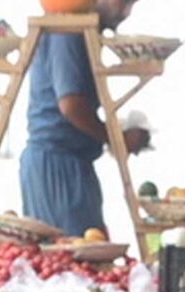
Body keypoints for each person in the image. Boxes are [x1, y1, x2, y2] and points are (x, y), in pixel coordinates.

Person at [19, 0, 151, 236]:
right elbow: (71, 105)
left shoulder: (83, 33)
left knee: (86, 250)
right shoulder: (68, 31)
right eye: (122, 2)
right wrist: (115, 138)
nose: (125, 13)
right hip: (57, 163)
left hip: (72, 163)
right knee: (70, 258)